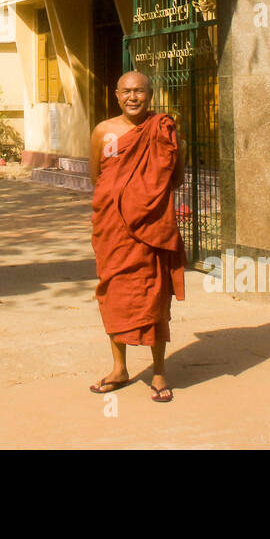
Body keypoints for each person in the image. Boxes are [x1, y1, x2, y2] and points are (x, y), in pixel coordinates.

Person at [87, 70, 186, 403]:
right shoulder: (104, 131)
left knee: (154, 296)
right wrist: (123, 198)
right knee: (113, 292)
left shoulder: (164, 129)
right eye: (126, 92)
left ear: (151, 94)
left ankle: (158, 371)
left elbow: (177, 175)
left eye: (140, 92)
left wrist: (146, 199)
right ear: (116, 95)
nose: (133, 97)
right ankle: (119, 368)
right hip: (113, 228)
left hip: (152, 229)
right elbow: (96, 176)